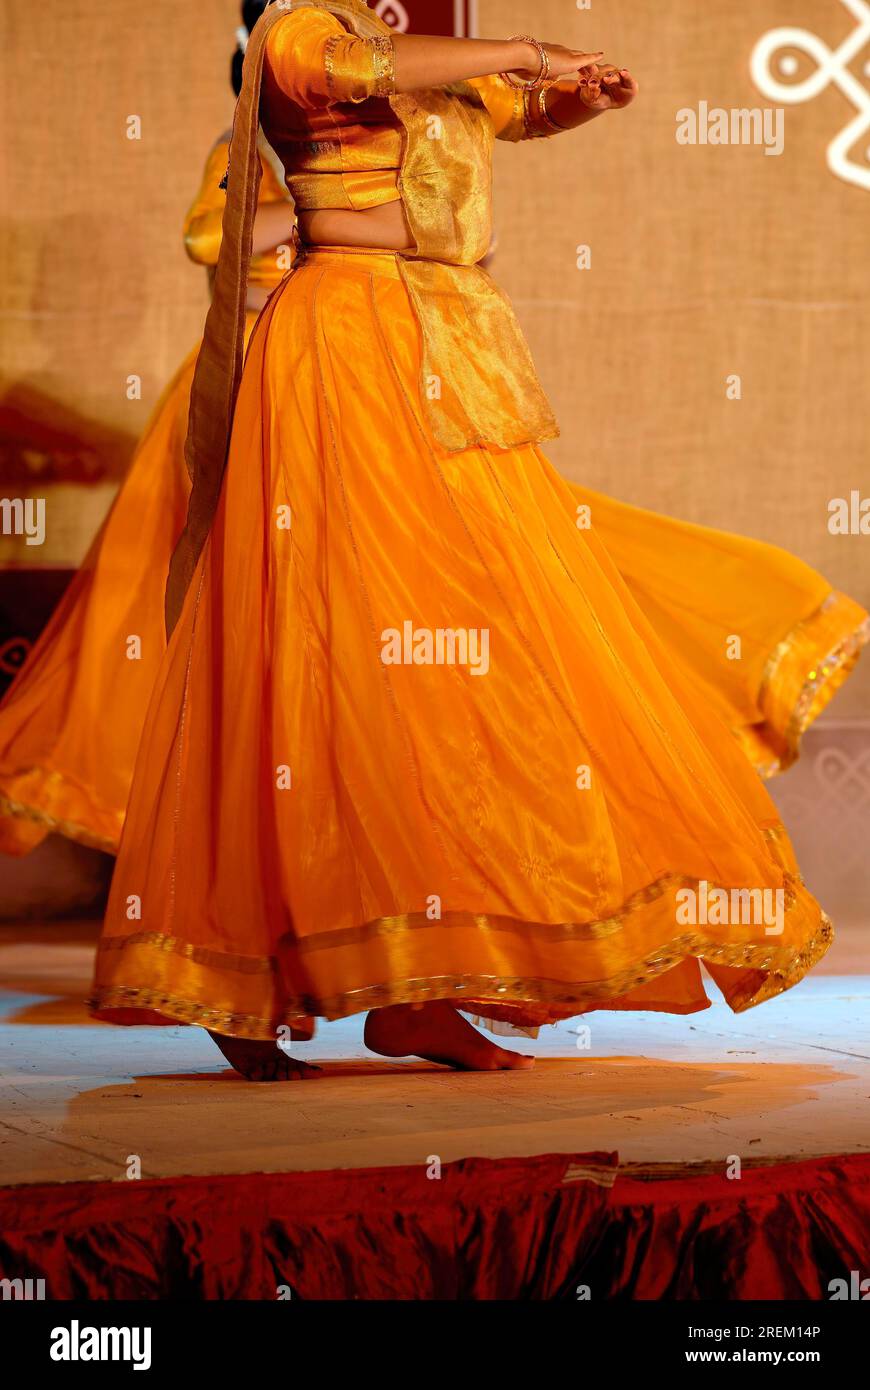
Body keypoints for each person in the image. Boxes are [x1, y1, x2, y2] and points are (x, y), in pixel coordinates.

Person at [88, 0, 867, 1080]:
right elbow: (370, 68)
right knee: (328, 647)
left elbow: (497, 111)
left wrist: (573, 106)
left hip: (447, 349)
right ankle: (245, 977)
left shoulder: (409, 49)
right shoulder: (299, 33)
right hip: (343, 351)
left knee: (474, 657)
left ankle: (436, 984)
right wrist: (529, 51)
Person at [0, 3, 295, 858]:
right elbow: (208, 236)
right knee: (200, 611)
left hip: (307, 386)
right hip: (232, 392)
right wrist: (321, 213)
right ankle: (194, 830)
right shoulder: (251, 156)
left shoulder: (343, 164)